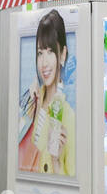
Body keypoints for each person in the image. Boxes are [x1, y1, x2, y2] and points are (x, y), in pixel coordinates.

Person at [18, 10, 75, 176]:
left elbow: (73, 181)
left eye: (50, 51)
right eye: (40, 53)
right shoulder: (30, 101)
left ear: (62, 54)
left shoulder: (69, 116)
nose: (44, 63)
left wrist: (55, 160)